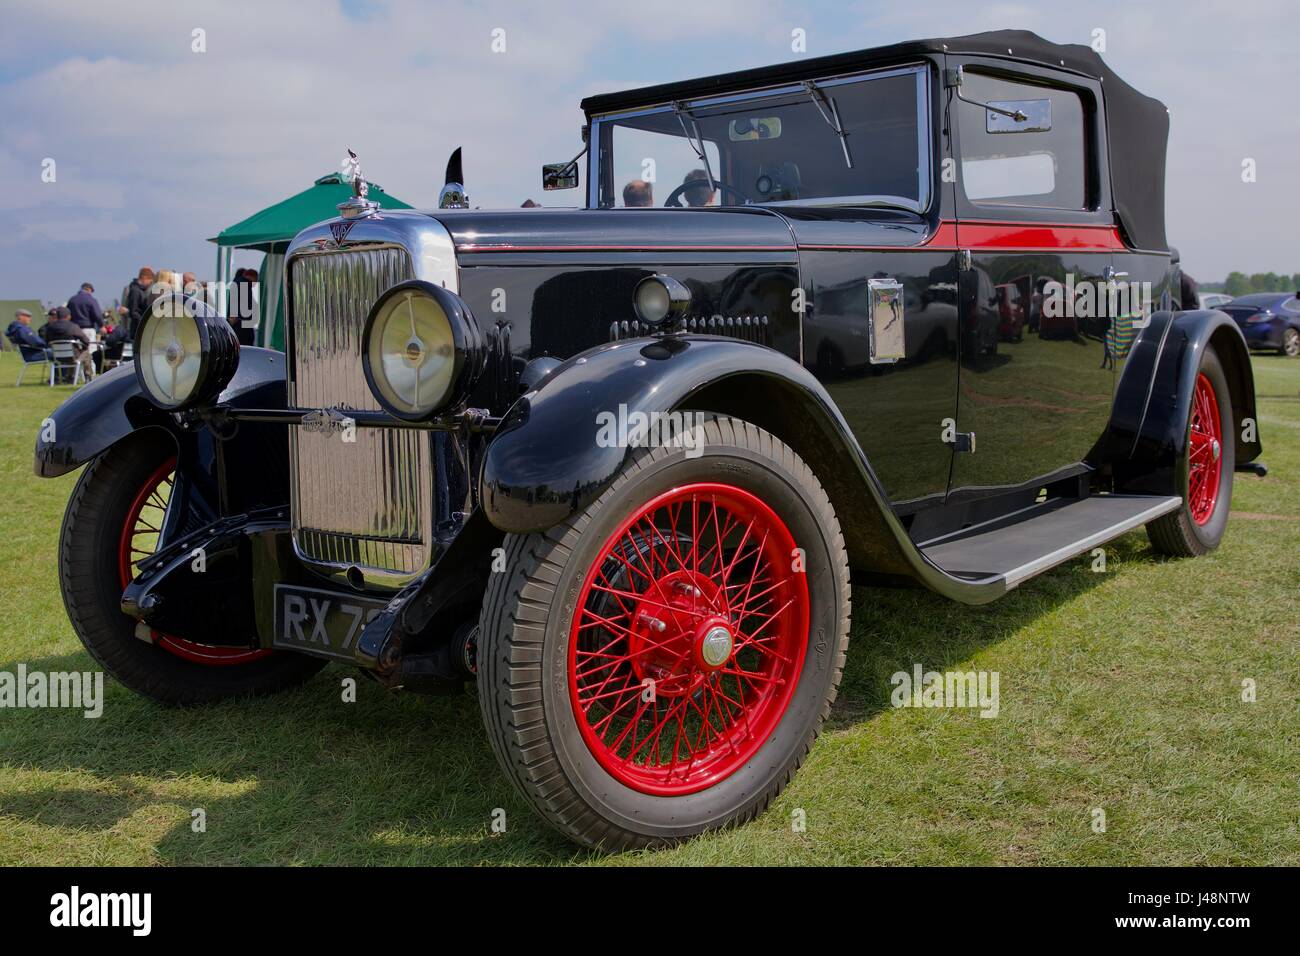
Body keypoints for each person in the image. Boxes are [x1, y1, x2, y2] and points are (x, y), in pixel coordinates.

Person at [41, 306, 94, 382]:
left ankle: (70, 377)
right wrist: (83, 346)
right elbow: (86, 340)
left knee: (75, 354)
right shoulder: (73, 327)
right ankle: (88, 377)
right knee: (86, 354)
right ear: (68, 316)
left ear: (57, 316)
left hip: (56, 357)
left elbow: (47, 341)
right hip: (73, 356)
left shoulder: (50, 328)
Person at [123, 266, 154, 338]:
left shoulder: (138, 290)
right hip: (137, 330)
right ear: (145, 278)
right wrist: (144, 323)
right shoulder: (136, 291)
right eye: (150, 281)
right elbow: (134, 312)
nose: (150, 284)